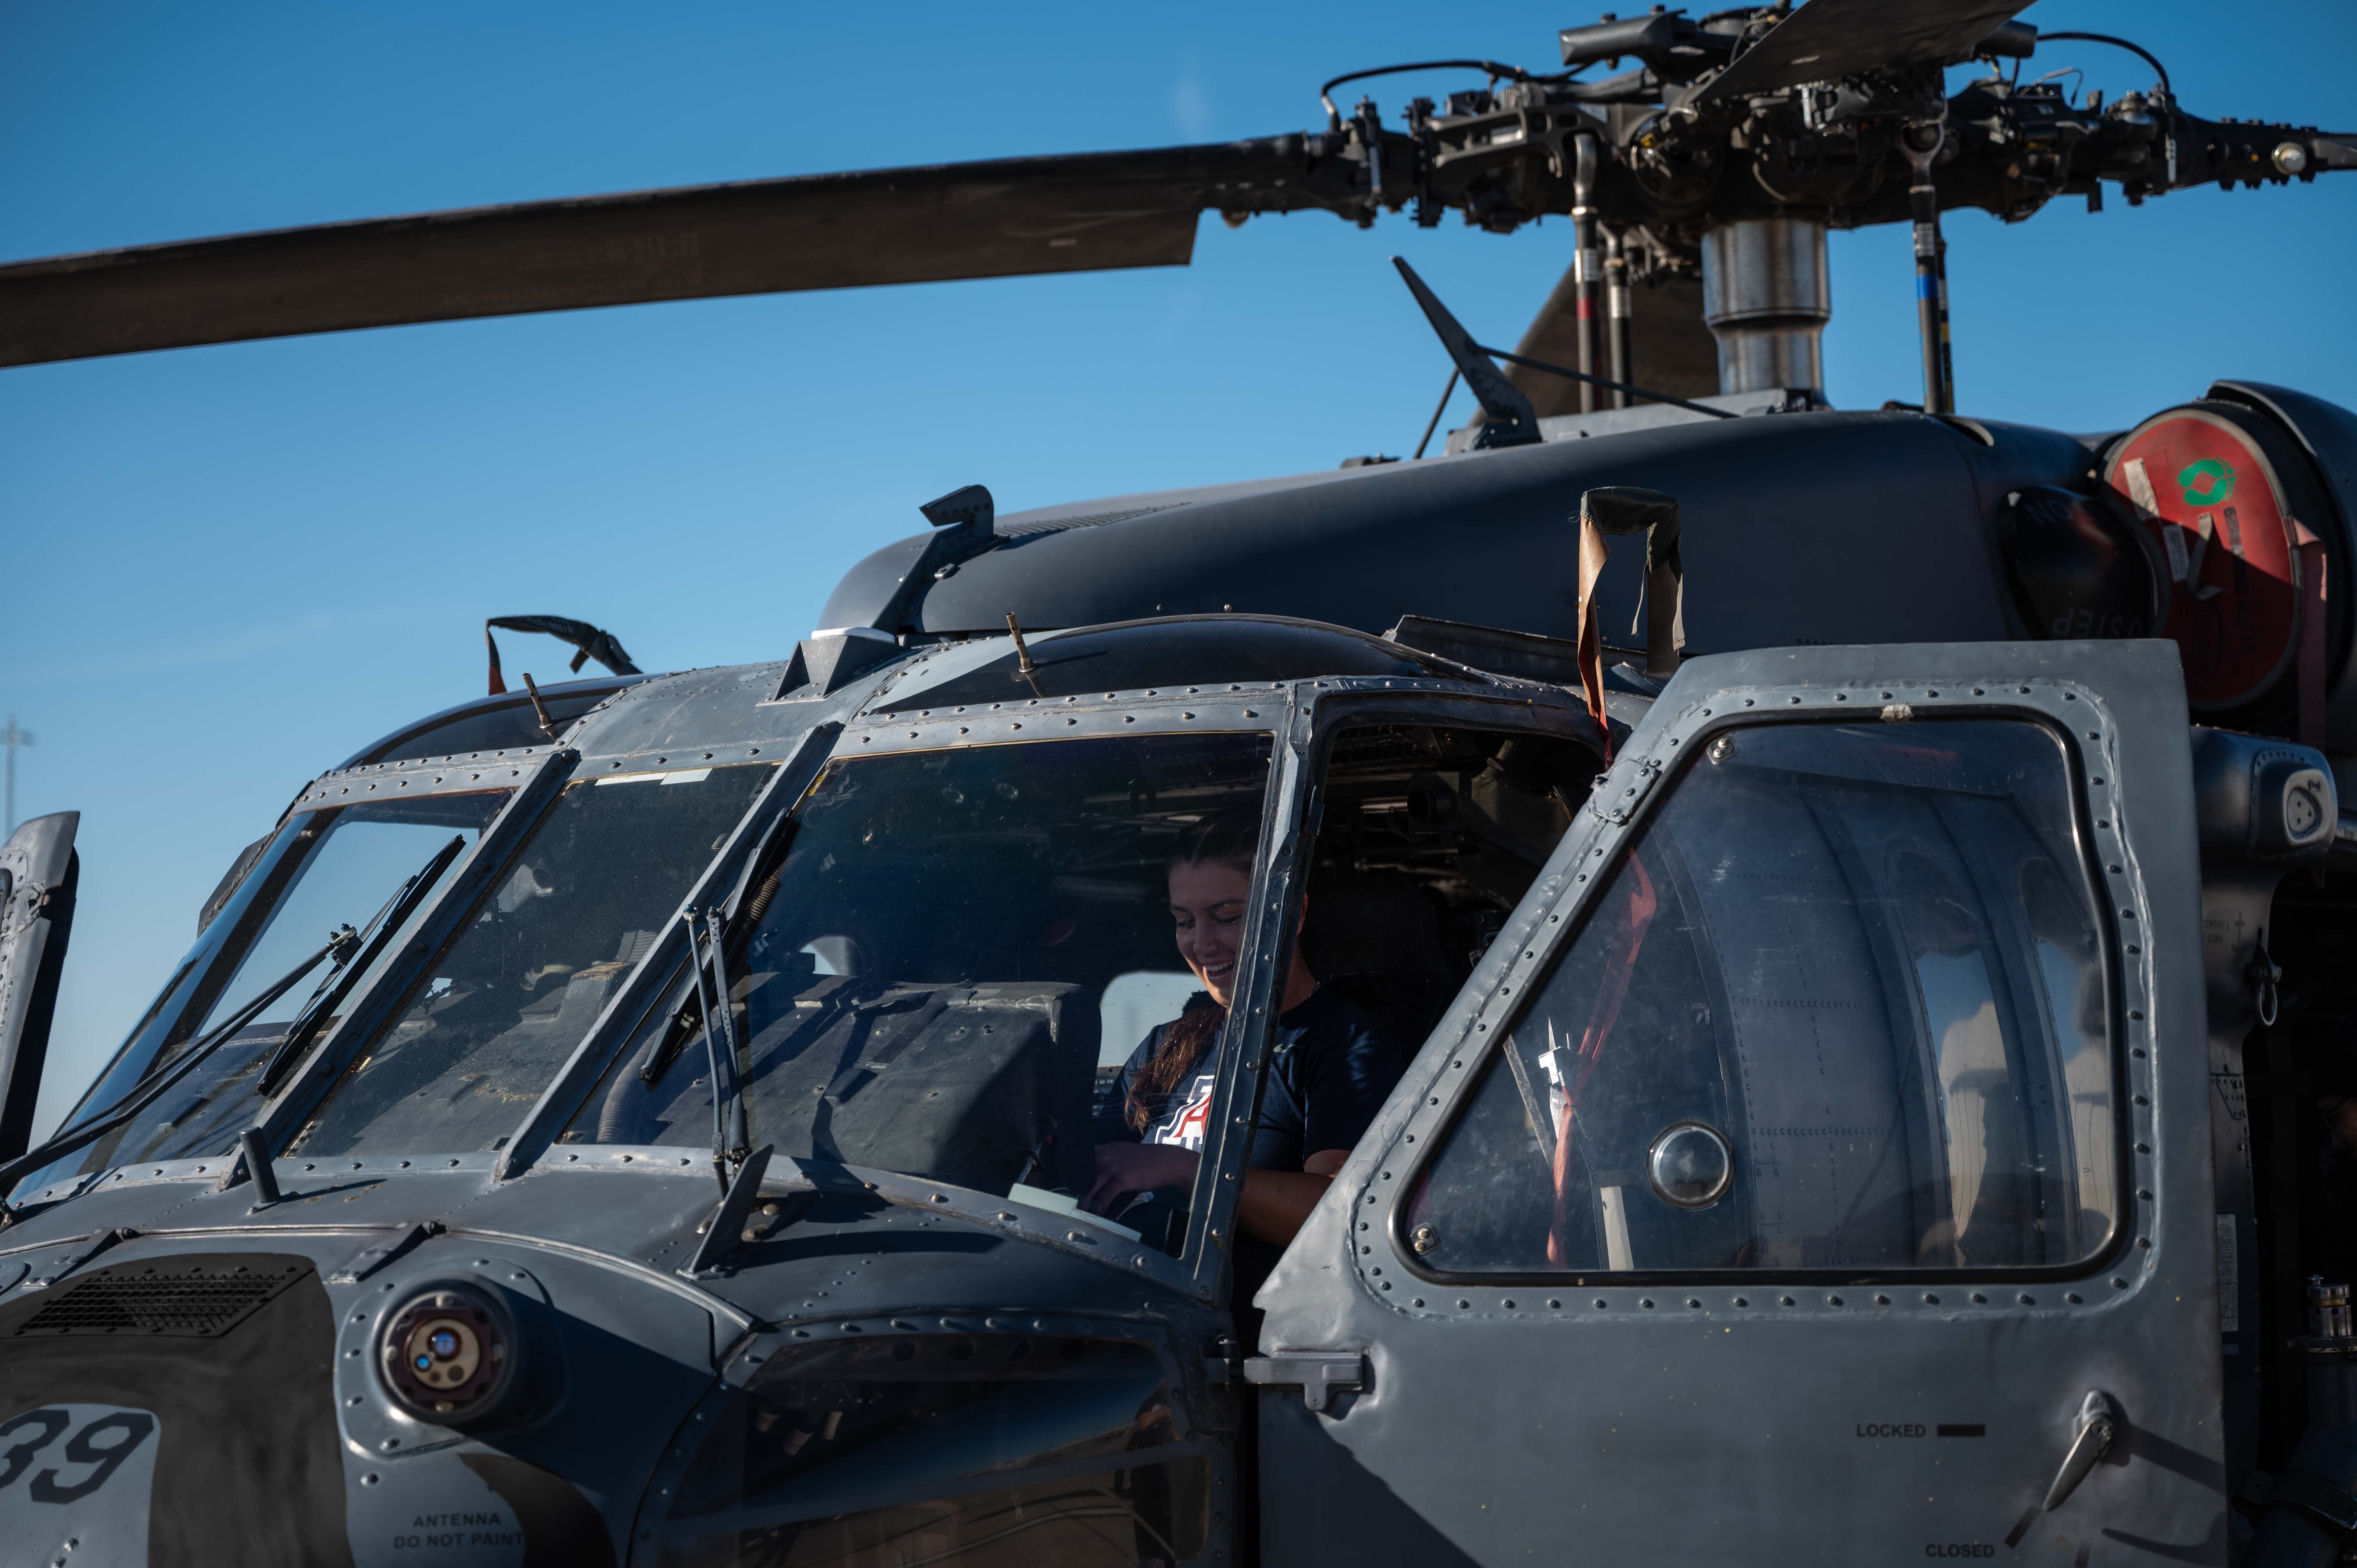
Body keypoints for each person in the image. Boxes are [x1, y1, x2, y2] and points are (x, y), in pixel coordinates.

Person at [1088, 815, 1402, 1254]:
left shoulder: (1345, 1044)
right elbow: (1095, 1164)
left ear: (1293, 913)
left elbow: (1346, 1211)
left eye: (1228, 917)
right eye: (1184, 921)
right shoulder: (1166, 1044)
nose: (1202, 944)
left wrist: (1184, 1169)